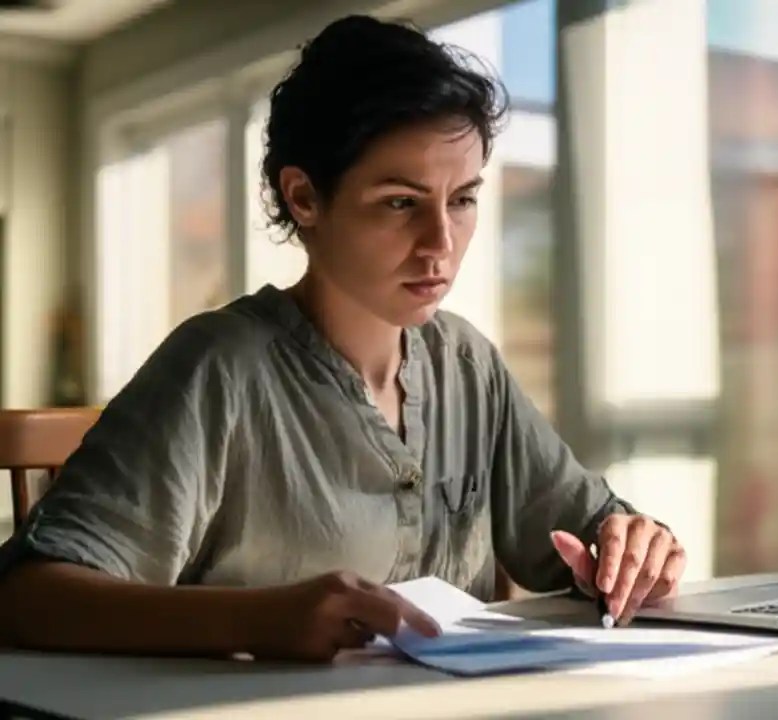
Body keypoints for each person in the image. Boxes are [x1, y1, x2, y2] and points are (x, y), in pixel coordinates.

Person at [0, 15, 684, 662]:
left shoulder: (468, 364)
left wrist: (632, 547)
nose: (441, 244)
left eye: (464, 199)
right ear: (303, 197)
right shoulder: (219, 370)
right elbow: (27, 597)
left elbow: (587, 534)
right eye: (400, 202)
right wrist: (257, 620)